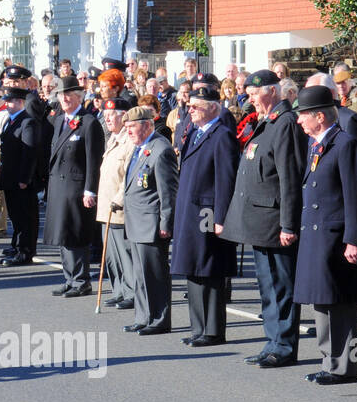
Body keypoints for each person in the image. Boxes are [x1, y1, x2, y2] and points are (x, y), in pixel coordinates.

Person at [221, 70, 306, 367]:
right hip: (260, 221)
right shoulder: (268, 123)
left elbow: (290, 179)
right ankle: (272, 341)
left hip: (274, 222)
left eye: (255, 94)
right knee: (267, 287)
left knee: (281, 287)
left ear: (272, 91)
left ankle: (283, 345)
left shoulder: (285, 125)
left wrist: (288, 224)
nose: (250, 99)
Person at [293, 85, 357, 384]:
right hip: (316, 234)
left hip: (337, 237)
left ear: (319, 116)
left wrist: (354, 238)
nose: (299, 121)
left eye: (303, 116)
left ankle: (345, 367)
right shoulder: (316, 144)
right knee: (321, 301)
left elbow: (354, 195)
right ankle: (329, 362)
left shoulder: (345, 144)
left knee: (342, 305)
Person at [172, 87, 240, 346]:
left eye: (196, 106)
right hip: (190, 211)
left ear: (213, 107)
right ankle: (198, 327)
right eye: (189, 106)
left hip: (208, 211)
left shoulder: (221, 135)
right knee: (193, 268)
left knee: (210, 267)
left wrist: (222, 217)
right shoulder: (194, 133)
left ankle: (212, 330)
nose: (190, 110)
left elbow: (226, 180)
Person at [43, 76, 103, 297]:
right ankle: (69, 278)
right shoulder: (59, 120)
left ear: (79, 97)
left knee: (75, 234)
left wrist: (90, 189)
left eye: (69, 94)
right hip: (59, 184)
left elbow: (93, 159)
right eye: (61, 94)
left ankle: (81, 280)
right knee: (62, 234)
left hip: (76, 186)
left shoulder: (89, 123)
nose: (65, 98)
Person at [121, 107, 178, 334]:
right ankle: (144, 316)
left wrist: (166, 223)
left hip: (151, 223)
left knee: (154, 276)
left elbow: (169, 192)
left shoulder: (161, 150)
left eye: (132, 127)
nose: (129, 132)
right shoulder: (140, 149)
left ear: (147, 125)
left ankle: (158, 319)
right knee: (140, 275)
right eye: (126, 128)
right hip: (136, 221)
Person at [96, 98, 136, 311]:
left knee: (124, 254)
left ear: (124, 116)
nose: (108, 118)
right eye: (106, 114)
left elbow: (127, 176)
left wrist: (118, 200)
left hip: (118, 208)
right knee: (111, 255)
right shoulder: (112, 138)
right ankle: (119, 290)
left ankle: (131, 292)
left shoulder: (129, 141)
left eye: (113, 114)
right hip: (105, 207)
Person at [0, 86, 42, 267]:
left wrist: (25, 178)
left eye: (9, 101)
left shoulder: (27, 122)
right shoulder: (11, 120)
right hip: (10, 178)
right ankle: (17, 246)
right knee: (16, 216)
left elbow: (29, 152)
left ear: (19, 102)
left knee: (25, 217)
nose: (6, 104)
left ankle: (25, 251)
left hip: (20, 180)